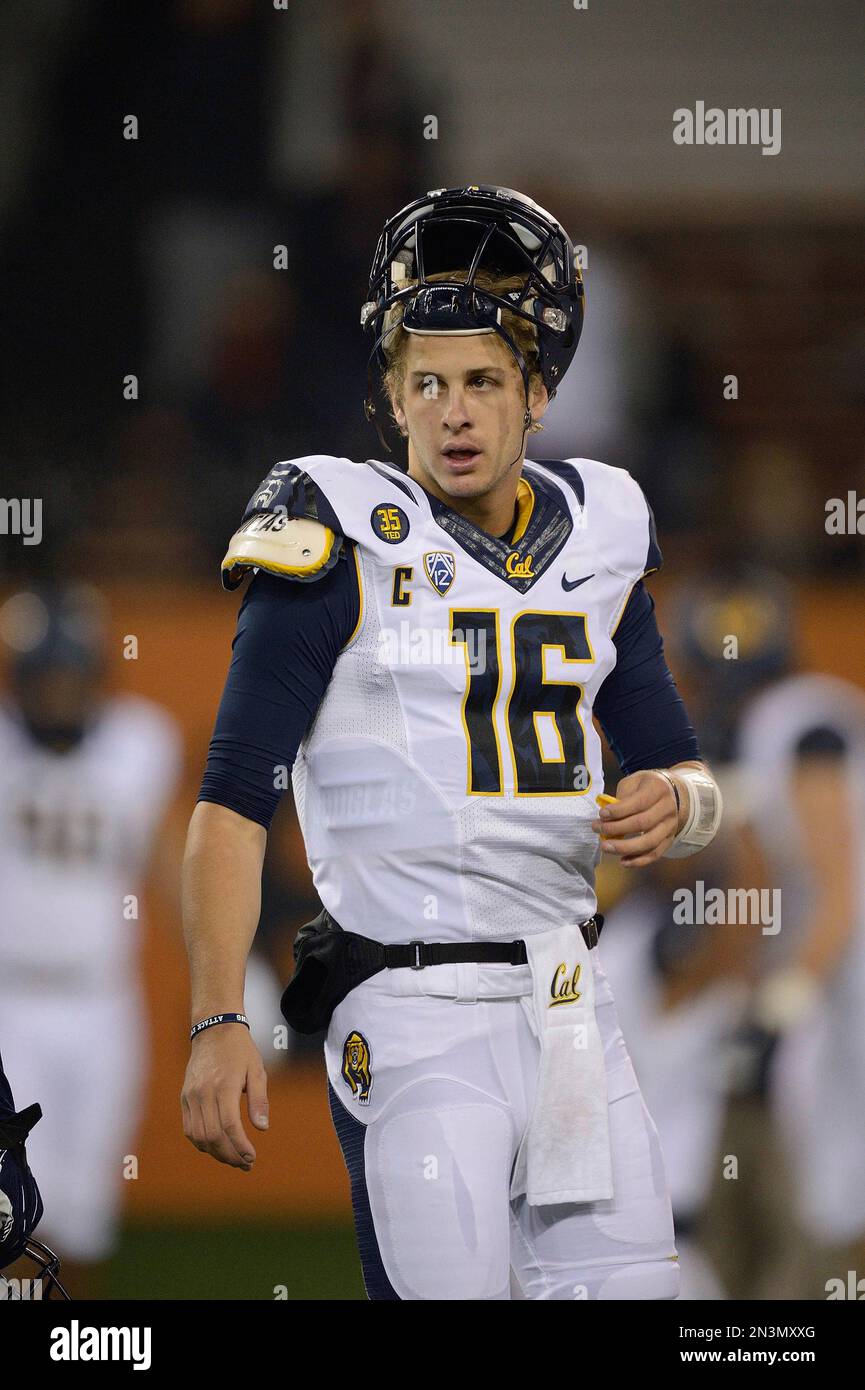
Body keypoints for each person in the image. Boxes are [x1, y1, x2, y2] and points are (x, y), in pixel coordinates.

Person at [182, 184, 723, 1300]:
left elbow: (676, 757)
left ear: (536, 391)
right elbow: (233, 802)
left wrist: (678, 800)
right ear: (390, 397)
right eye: (425, 382)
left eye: (481, 380)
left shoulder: (605, 526)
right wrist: (216, 1015)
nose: (455, 412)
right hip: (408, 1006)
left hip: (571, 997)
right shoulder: (337, 526)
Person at [0, 584, 182, 1298]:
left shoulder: (140, 743)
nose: (59, 694)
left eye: (71, 676)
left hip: (104, 1005)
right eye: (45, 678)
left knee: (84, 1217)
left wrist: (221, 980)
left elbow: (165, 864)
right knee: (15, 1215)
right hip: (10, 1005)